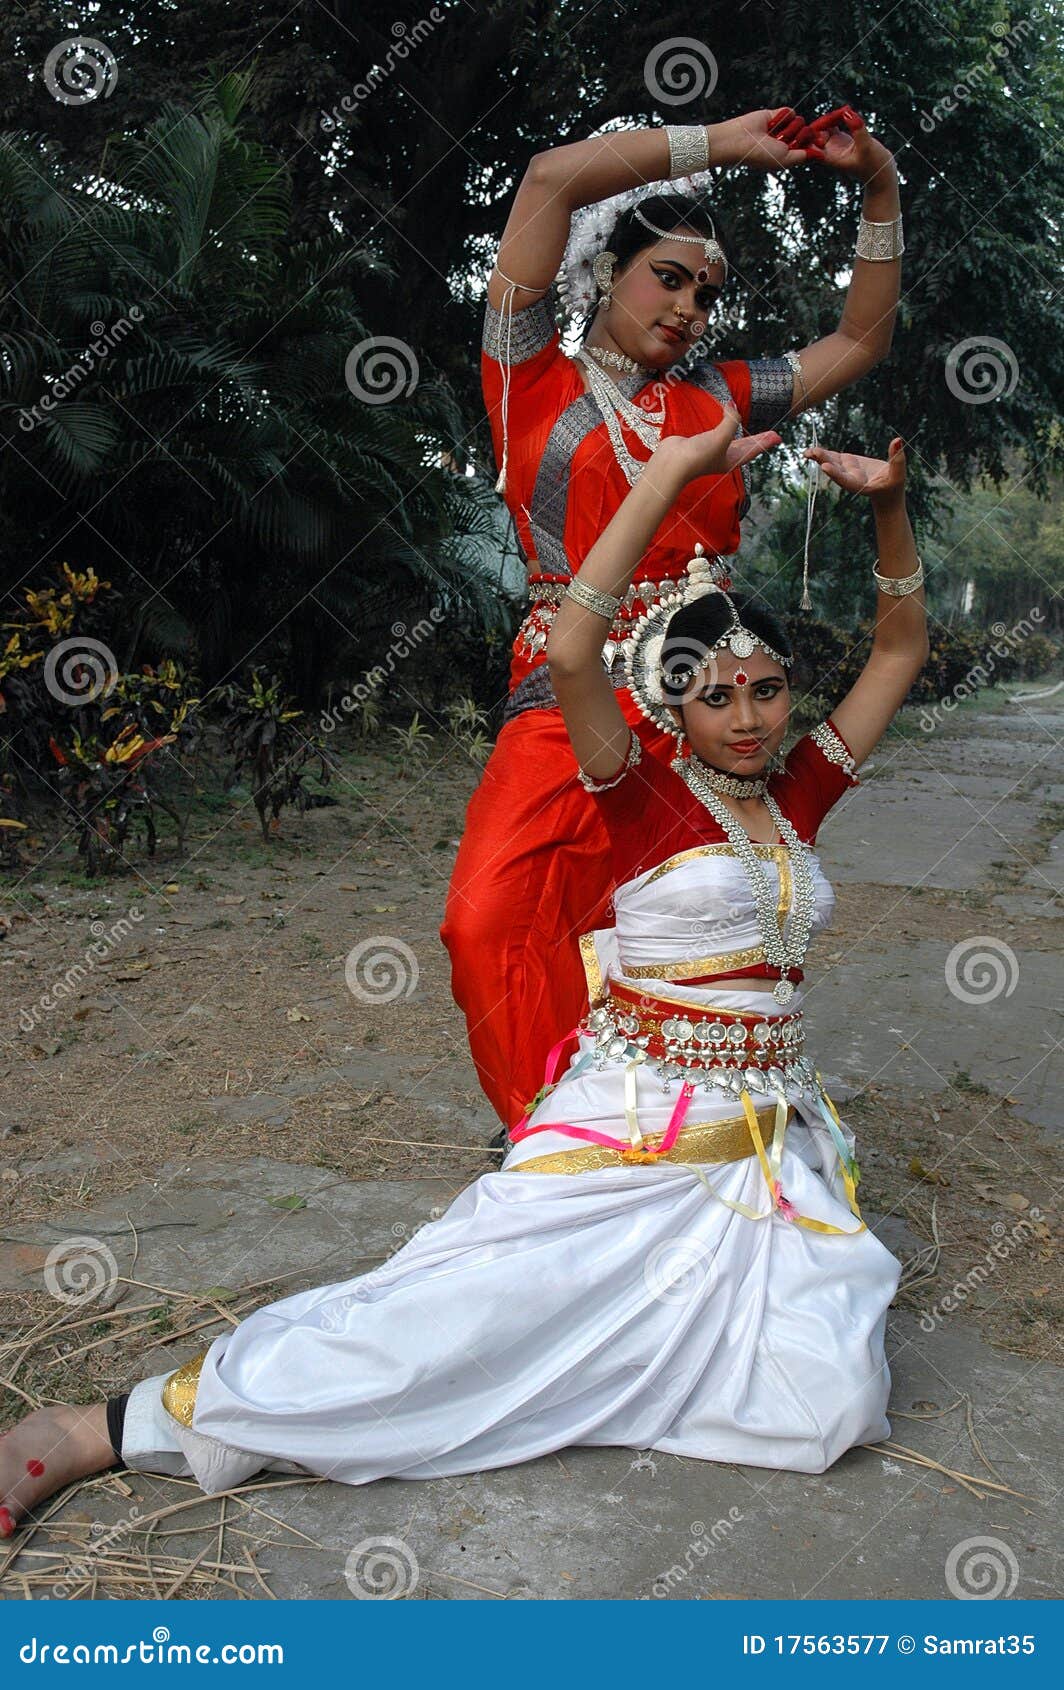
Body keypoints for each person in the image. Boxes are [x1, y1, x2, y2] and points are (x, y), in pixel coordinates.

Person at [0, 406, 928, 1523]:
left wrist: (885, 504)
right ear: (670, 704)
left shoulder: (796, 796)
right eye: (713, 692)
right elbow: (575, 645)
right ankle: (102, 1427)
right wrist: (674, 470)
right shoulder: (633, 791)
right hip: (633, 1136)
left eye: (764, 688)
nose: (745, 715)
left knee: (824, 1402)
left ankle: (625, 1354)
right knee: (452, 1329)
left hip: (765, 1163)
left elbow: (897, 647)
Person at [441, 103, 904, 1128]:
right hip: (565, 689)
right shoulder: (527, 380)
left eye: (707, 290)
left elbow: (860, 337)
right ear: (607, 270)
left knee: (661, 921)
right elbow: (549, 180)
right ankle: (549, 1132)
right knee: (486, 920)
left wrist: (876, 181)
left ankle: (668, 1119)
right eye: (669, 276)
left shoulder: (720, 399)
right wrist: (722, 144)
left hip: (701, 696)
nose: (691, 305)